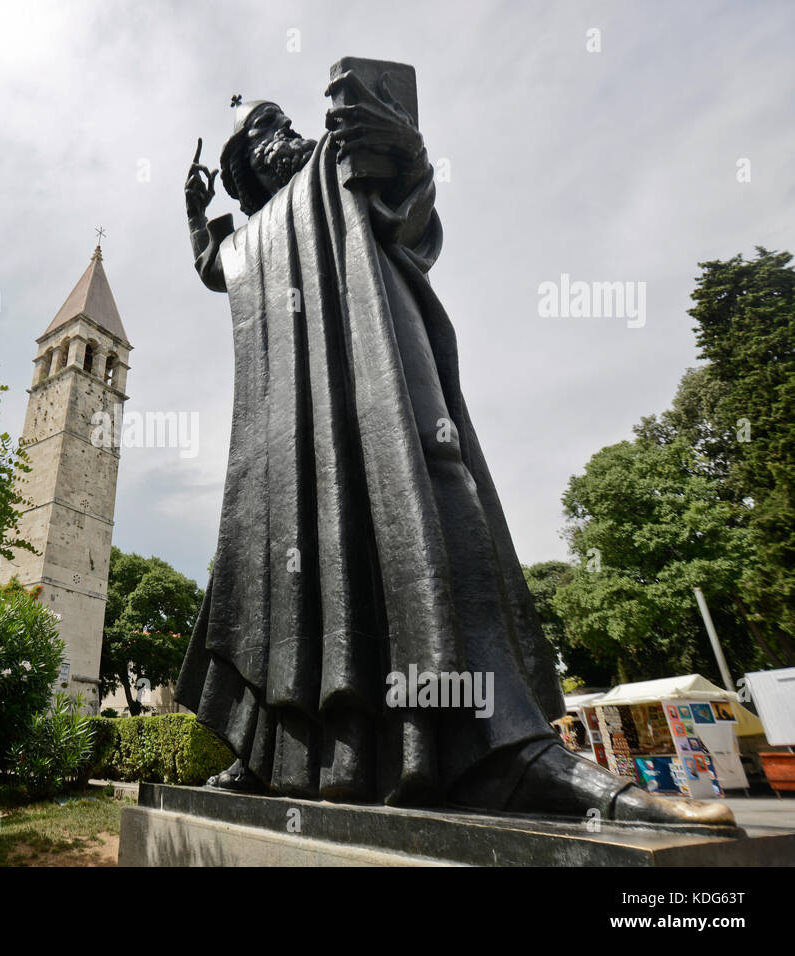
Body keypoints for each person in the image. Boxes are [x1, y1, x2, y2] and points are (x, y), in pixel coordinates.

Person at [175, 59, 732, 826]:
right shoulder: (259, 234)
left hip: (378, 380)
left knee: (431, 503)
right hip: (285, 435)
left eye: (280, 124)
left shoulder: (338, 165)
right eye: (264, 136)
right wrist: (196, 213)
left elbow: (404, 207)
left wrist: (405, 149)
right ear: (244, 175)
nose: (284, 137)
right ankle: (281, 745)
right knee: (279, 550)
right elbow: (217, 267)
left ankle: (504, 749)